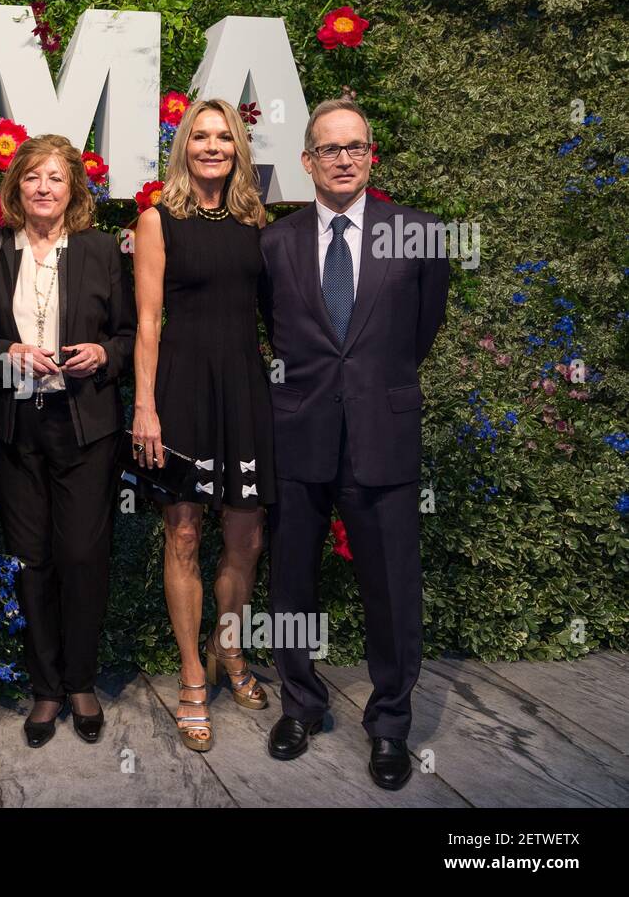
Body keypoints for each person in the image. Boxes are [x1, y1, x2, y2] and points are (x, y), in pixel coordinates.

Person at [258, 98, 450, 790]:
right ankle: (300, 704)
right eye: (329, 149)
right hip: (298, 432)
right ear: (307, 162)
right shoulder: (274, 244)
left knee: (393, 590)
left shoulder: (419, 235)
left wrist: (376, 387)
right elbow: (273, 328)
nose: (344, 159)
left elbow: (419, 333)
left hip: (382, 432)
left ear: (372, 156)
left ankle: (391, 724)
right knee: (291, 583)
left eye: (356, 147)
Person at [0, 134, 135, 748]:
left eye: (56, 178)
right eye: (32, 177)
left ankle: (81, 681)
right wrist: (4, 353)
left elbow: (129, 335)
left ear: (74, 190)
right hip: (17, 429)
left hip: (86, 427)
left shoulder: (99, 250)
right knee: (32, 559)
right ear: (15, 187)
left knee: (83, 557)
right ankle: (45, 689)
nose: (43, 187)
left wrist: (105, 353)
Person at [132, 98, 274, 753]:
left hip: (244, 393)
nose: (211, 146)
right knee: (184, 532)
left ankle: (230, 650)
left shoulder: (257, 223)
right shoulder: (157, 221)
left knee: (244, 537)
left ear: (237, 149)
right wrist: (145, 407)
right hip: (182, 393)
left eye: (223, 137)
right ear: (184, 147)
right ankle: (193, 675)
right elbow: (147, 322)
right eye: (200, 136)